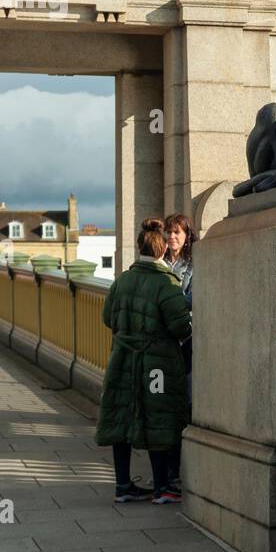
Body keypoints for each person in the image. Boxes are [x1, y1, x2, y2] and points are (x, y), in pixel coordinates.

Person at [96, 218, 192, 504]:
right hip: (157, 367)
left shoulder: (122, 280)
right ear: (162, 250)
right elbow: (180, 328)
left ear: (140, 248)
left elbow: (107, 318)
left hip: (123, 359)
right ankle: (163, 487)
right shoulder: (166, 282)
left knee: (122, 418)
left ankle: (123, 486)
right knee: (158, 418)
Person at [163, 213, 196, 493]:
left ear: (187, 237)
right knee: (165, 407)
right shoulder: (158, 263)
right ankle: (167, 472)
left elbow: (195, 299)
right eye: (168, 232)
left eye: (177, 233)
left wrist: (168, 300)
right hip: (163, 345)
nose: (172, 237)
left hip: (187, 343)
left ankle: (183, 471)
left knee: (186, 405)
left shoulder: (193, 265)